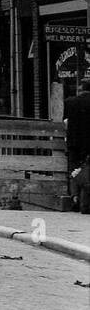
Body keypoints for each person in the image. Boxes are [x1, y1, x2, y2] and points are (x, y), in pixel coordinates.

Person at [64, 77, 90, 213]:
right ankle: (85, 203)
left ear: (80, 90)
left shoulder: (70, 102)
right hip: (88, 144)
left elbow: (65, 122)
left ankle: (74, 200)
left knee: (74, 171)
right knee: (87, 172)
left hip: (74, 143)